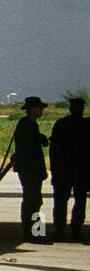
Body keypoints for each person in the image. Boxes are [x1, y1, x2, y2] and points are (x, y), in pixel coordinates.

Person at [50, 98, 89, 242]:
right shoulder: (86, 125)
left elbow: (53, 148)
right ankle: (76, 229)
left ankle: (60, 229)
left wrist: (54, 168)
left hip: (63, 169)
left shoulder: (61, 124)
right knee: (80, 200)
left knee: (60, 201)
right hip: (81, 170)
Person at [13, 96, 51, 243]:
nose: (41, 110)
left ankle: (31, 233)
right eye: (40, 108)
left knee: (32, 200)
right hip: (30, 169)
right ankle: (35, 234)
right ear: (33, 109)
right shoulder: (27, 126)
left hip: (29, 169)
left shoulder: (28, 125)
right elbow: (32, 151)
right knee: (33, 201)